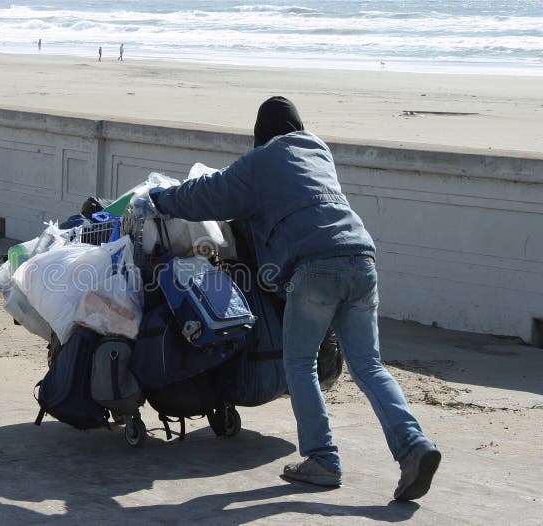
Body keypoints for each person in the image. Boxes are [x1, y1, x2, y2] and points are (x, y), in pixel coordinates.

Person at [142, 96, 441, 501]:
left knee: (299, 364)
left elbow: (210, 195)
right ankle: (414, 446)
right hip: (362, 258)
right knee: (369, 365)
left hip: (316, 269)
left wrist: (160, 199)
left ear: (261, 134)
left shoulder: (262, 161)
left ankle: (322, 458)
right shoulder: (319, 153)